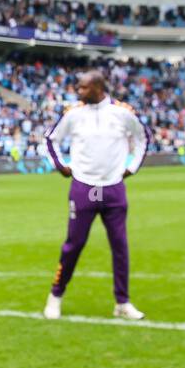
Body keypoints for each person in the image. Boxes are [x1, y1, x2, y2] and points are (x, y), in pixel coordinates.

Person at [42, 69, 151, 321]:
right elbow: (51, 139)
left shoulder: (123, 113)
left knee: (120, 247)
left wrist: (131, 168)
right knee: (74, 245)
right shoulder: (74, 114)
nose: (78, 92)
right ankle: (55, 295)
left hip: (114, 188)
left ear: (98, 87)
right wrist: (61, 165)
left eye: (83, 88)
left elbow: (144, 138)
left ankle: (122, 302)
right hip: (83, 187)